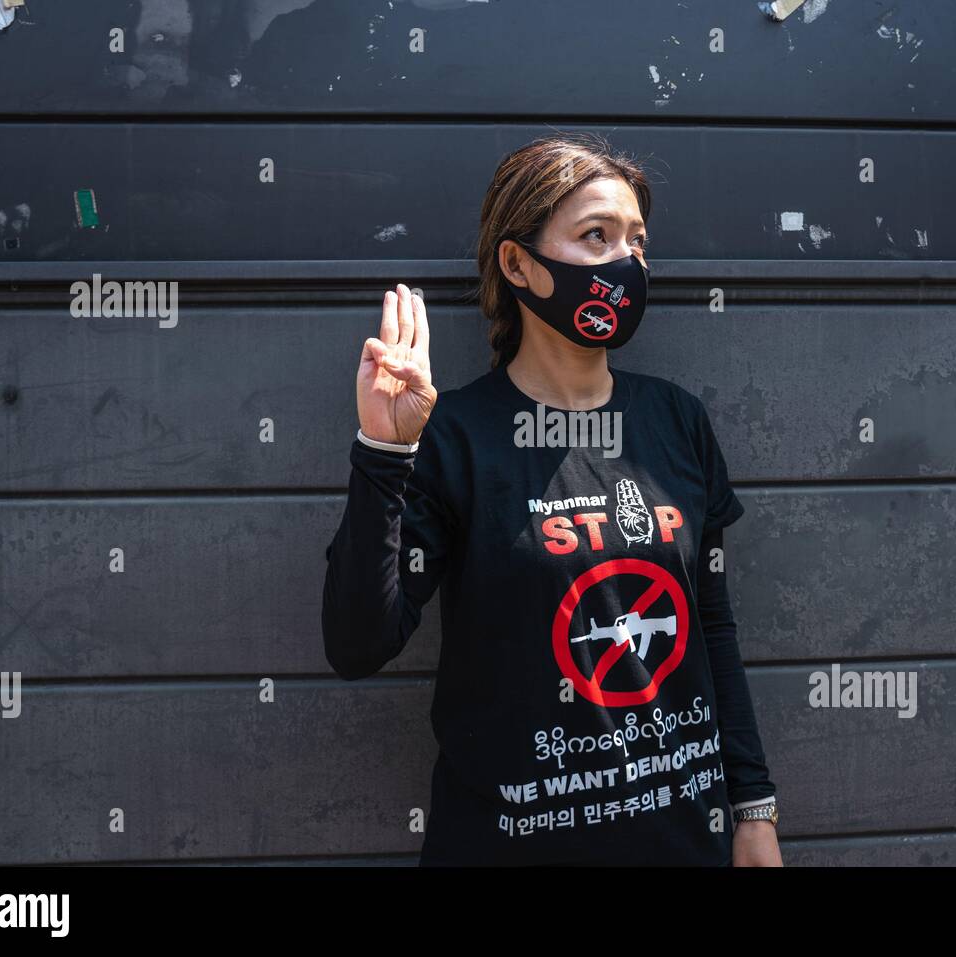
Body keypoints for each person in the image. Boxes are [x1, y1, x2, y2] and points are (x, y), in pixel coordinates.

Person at [322, 132, 781, 866]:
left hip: (680, 842)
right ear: (518, 265)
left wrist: (752, 809)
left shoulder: (676, 421)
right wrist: (384, 450)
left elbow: (712, 628)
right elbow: (356, 645)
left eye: (637, 240)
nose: (626, 262)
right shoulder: (455, 437)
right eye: (597, 236)